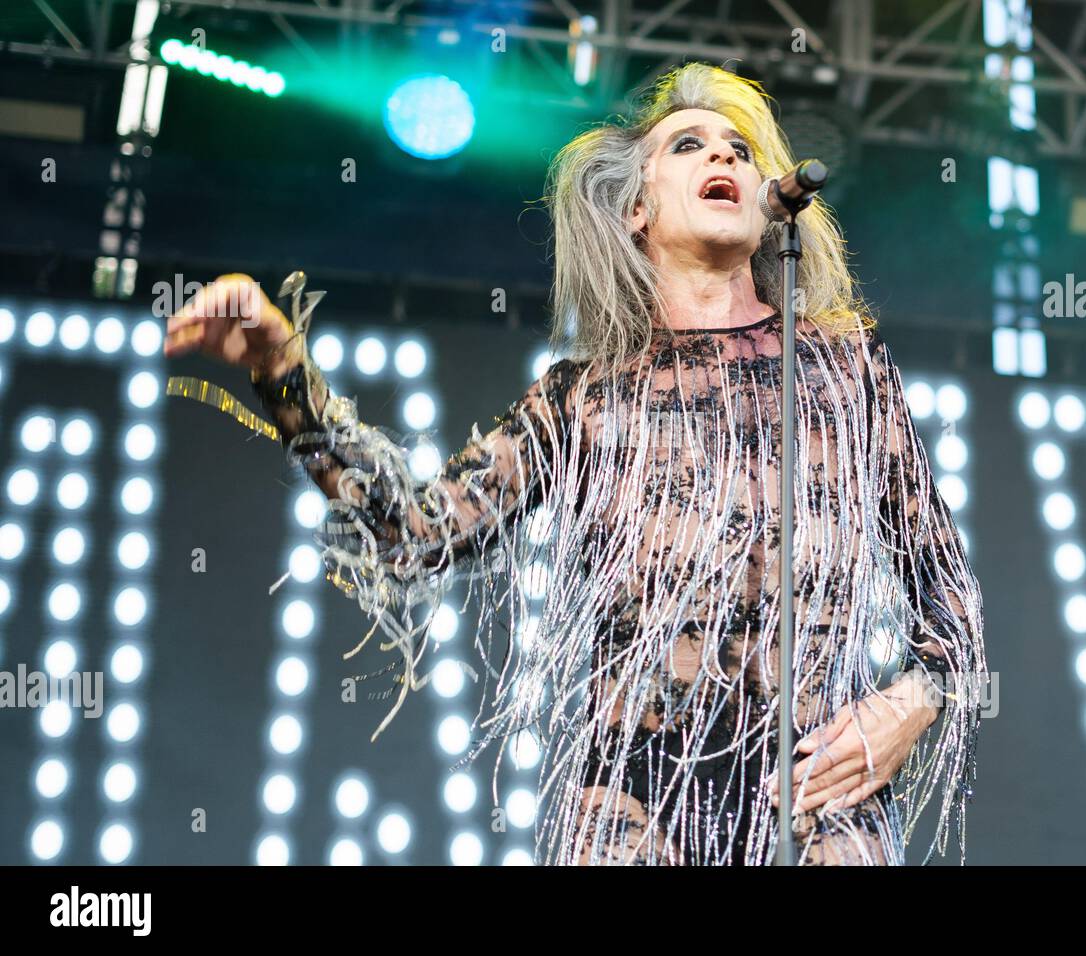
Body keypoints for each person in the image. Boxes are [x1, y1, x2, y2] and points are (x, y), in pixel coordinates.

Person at [164, 62, 987, 866]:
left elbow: (952, 607)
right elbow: (415, 535)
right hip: (636, 805)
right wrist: (283, 373)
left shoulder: (844, 368)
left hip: (817, 796)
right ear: (635, 208)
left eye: (740, 146)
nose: (725, 156)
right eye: (691, 145)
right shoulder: (585, 396)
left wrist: (906, 707)